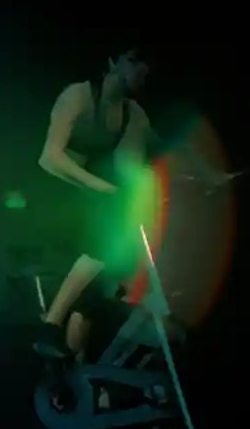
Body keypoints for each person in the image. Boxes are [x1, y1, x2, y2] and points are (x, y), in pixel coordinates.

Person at [34, 48, 228, 360]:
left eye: (146, 67)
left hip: (86, 198)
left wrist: (209, 175)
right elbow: (49, 158)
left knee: (93, 295)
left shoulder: (130, 112)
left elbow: (165, 146)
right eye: (134, 62)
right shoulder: (79, 96)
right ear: (112, 61)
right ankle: (51, 323)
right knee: (110, 226)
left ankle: (78, 374)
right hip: (50, 188)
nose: (142, 72)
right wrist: (104, 189)